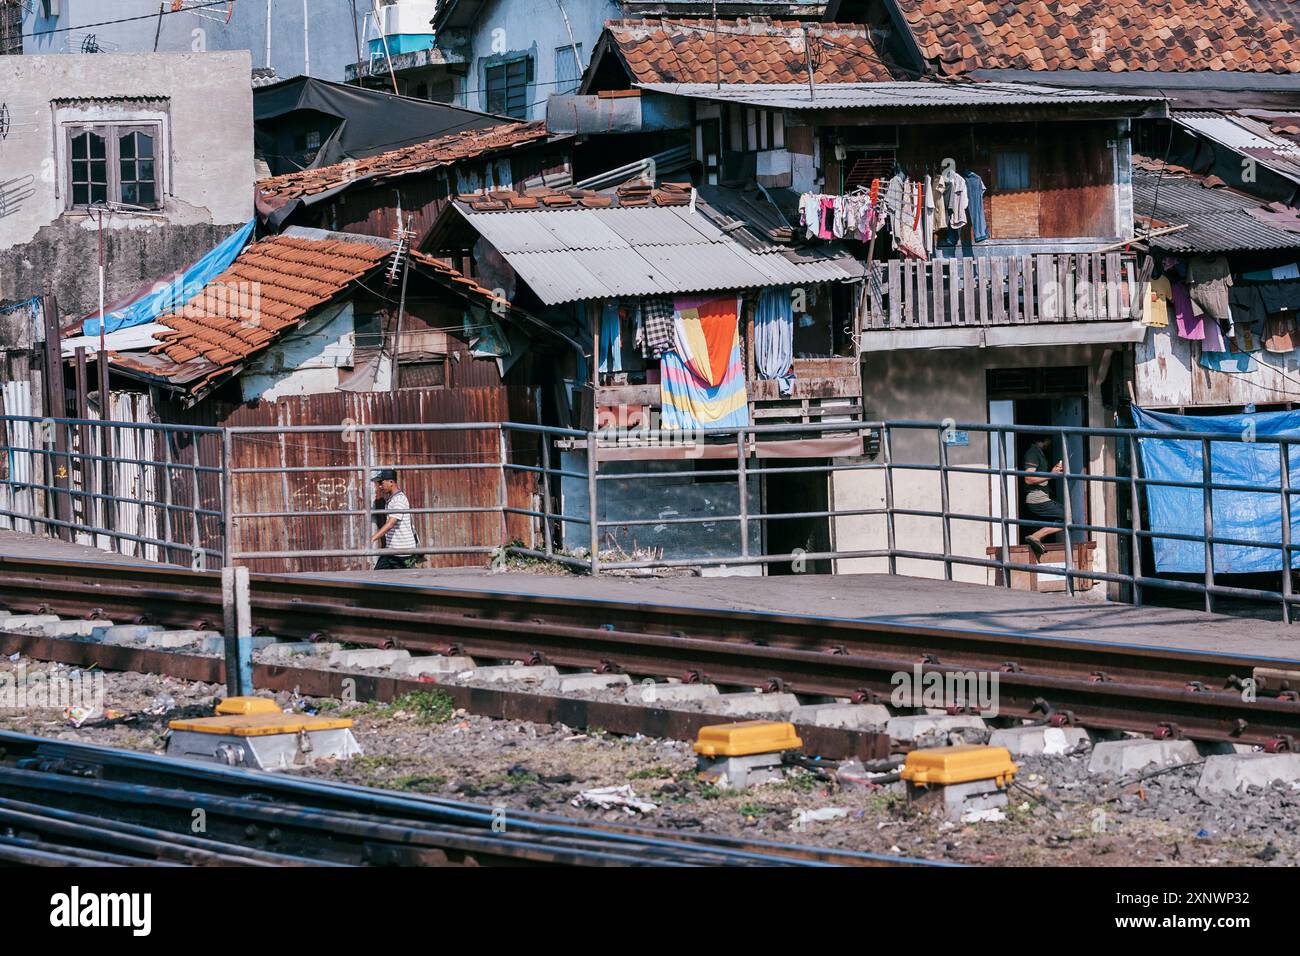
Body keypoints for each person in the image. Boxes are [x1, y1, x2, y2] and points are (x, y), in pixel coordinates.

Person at [1022, 436, 1066, 559]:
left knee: (1061, 518)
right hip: (1037, 499)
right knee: (1068, 518)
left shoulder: (1038, 453)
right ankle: (1036, 536)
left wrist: (1052, 472)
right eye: (1049, 440)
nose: (1050, 443)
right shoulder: (1033, 453)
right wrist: (1051, 475)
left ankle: (1036, 541)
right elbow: (1028, 478)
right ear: (1044, 439)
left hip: (1041, 498)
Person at [370, 469, 420, 570]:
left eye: (381, 482)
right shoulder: (392, 499)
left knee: (407, 581)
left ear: (391, 482)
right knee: (377, 576)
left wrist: (372, 538)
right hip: (391, 550)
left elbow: (391, 523)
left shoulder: (399, 500)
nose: (379, 486)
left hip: (403, 552)